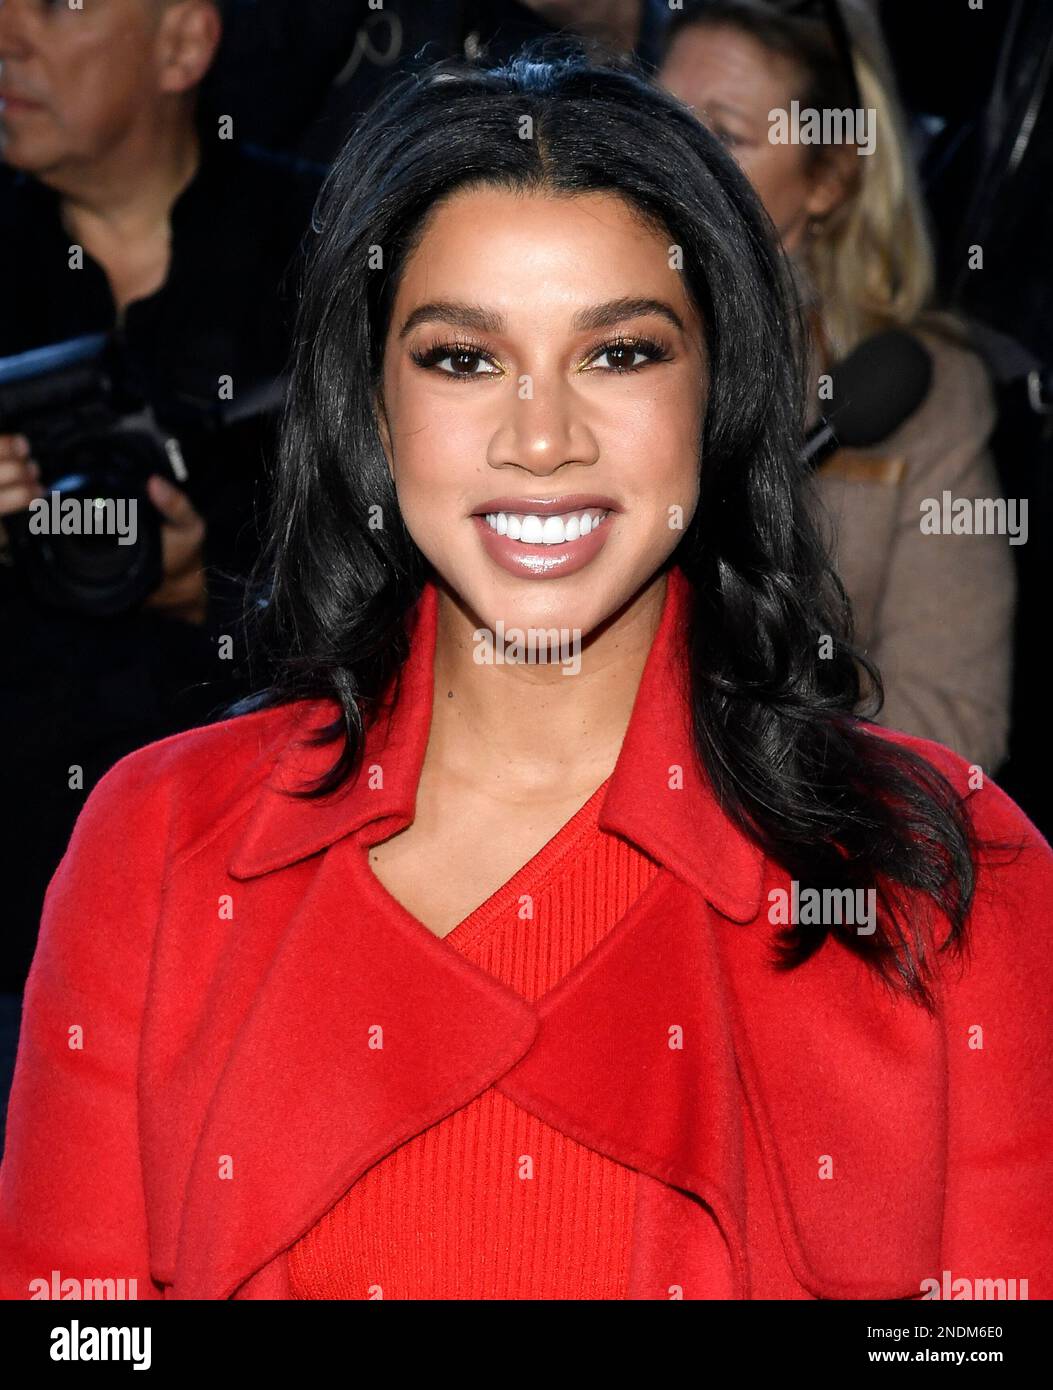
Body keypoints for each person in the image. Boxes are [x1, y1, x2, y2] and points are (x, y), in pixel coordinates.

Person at [0, 42, 1050, 1301]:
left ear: (718, 399)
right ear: (373, 410)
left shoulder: (947, 872)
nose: (541, 437)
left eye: (620, 353)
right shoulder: (160, 845)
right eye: (462, 356)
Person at [0, 0, 320, 1016]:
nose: (6, 36)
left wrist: (216, 597)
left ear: (184, 42)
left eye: (57, 8)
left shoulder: (338, 257)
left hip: (272, 910)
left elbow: (433, 605)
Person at [660, 0, 1017, 775]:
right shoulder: (559, 332)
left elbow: (954, 727)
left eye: (722, 137)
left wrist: (743, 739)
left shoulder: (916, 390)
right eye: (661, 123)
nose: (673, 167)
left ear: (827, 179)